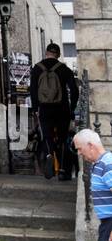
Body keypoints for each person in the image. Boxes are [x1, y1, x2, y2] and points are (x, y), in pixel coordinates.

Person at [30, 43, 79, 181]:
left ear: (46, 53)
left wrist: (35, 109)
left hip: (44, 108)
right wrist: (72, 107)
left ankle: (49, 156)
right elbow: (74, 91)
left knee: (47, 136)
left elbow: (33, 90)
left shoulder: (37, 69)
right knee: (63, 139)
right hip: (62, 108)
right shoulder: (64, 69)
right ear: (58, 54)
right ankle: (63, 170)